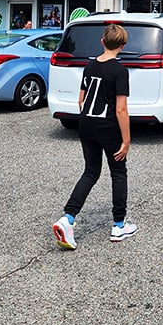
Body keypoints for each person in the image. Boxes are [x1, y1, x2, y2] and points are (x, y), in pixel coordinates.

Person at [52, 23, 136, 249]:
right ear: (123, 45)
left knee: (90, 171)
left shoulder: (89, 66)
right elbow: (121, 109)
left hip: (86, 125)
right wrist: (126, 140)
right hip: (108, 127)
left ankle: (68, 217)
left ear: (102, 42)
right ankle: (119, 224)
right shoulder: (120, 71)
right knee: (118, 172)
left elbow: (81, 100)